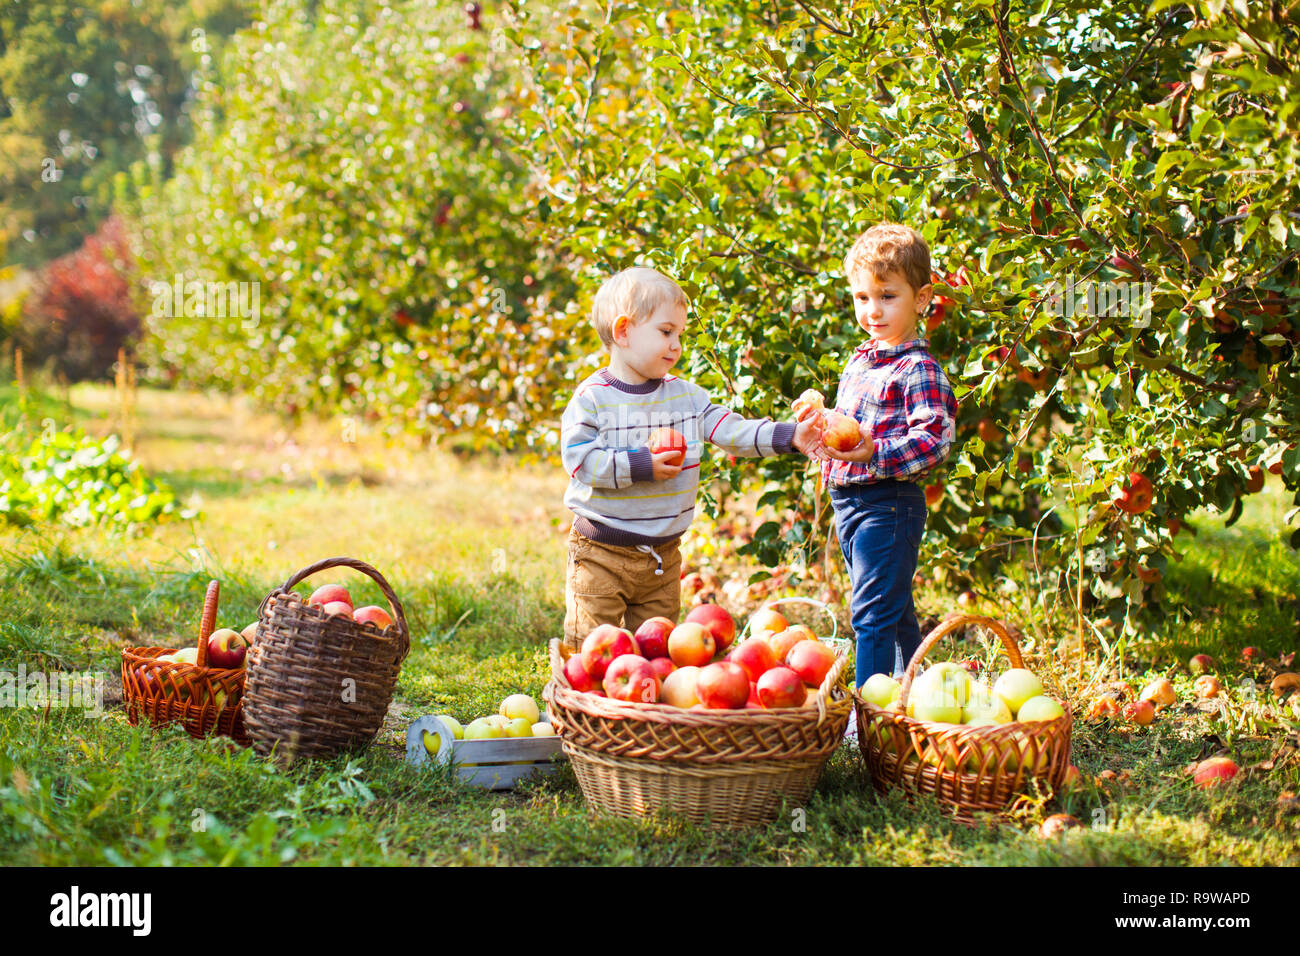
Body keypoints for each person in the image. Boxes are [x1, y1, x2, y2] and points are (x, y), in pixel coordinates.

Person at [560, 267, 822, 651]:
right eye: (666, 332)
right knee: (588, 648)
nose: (676, 344)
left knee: (657, 651)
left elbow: (733, 431)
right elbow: (580, 462)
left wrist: (790, 435)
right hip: (601, 553)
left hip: (662, 559)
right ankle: (578, 710)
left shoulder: (687, 398)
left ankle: (645, 713)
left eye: (679, 334)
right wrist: (641, 464)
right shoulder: (593, 398)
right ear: (623, 331)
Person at [804, 224, 957, 689]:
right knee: (892, 606)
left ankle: (865, 714)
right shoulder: (860, 360)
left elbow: (934, 440)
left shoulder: (919, 369)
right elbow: (851, 430)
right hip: (848, 504)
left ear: (922, 297)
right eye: (862, 298)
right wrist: (819, 419)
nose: (873, 310)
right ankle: (918, 691)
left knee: (870, 612)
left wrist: (877, 453)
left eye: (887, 296)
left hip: (888, 505)